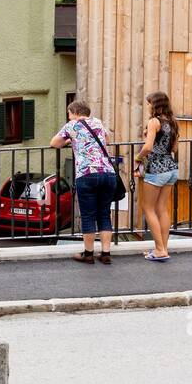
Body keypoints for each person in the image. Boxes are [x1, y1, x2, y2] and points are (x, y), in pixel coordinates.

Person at [50, 99, 119, 265]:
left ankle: (88, 254)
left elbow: (54, 143)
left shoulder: (71, 125)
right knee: (104, 214)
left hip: (86, 174)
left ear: (74, 112)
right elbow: (107, 140)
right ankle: (106, 253)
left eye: (69, 114)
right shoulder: (98, 122)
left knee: (88, 215)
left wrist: (69, 141)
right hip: (108, 173)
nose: (68, 116)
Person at [135, 91, 179, 262]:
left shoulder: (154, 121)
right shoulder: (173, 122)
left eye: (148, 103)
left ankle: (159, 249)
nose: (147, 106)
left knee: (148, 208)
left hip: (156, 169)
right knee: (162, 209)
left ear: (155, 105)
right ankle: (163, 248)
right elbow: (174, 148)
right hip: (171, 169)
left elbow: (147, 147)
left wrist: (138, 158)